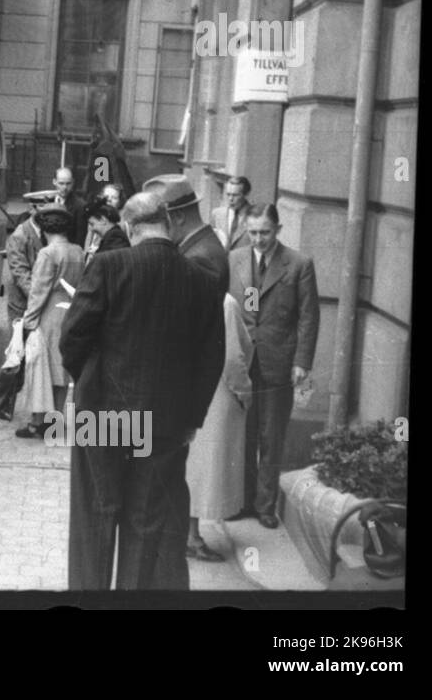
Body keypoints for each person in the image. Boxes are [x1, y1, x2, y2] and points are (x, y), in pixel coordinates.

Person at [60, 192, 225, 590]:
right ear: (168, 222)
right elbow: (211, 357)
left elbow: (72, 337)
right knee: (146, 523)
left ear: (131, 228)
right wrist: (191, 419)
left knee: (95, 517)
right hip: (165, 424)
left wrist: (89, 381)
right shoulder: (202, 279)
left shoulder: (109, 265)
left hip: (103, 417)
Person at [141, 173, 229, 587]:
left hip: (174, 404)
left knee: (167, 501)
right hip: (176, 403)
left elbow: (196, 342)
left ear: (173, 218)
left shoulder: (201, 257)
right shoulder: (197, 248)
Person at [228, 203, 320, 529]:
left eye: (264, 232)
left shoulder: (298, 264)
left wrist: (302, 362)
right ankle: (242, 500)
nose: (258, 239)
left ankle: (264, 505)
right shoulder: (235, 259)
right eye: (252, 232)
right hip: (243, 362)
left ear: (278, 229)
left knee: (271, 435)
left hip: (278, 363)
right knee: (244, 434)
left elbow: (309, 318)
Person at [184, 291, 254, 560]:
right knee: (206, 472)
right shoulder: (225, 303)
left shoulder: (183, 292)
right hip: (217, 395)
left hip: (189, 393)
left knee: (193, 470)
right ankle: (192, 537)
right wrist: (246, 393)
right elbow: (233, 358)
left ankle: (188, 534)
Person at [14, 206, 83, 438]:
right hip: (69, 313)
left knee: (40, 368)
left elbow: (38, 290)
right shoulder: (78, 251)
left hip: (48, 315)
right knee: (60, 370)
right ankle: (54, 422)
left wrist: (29, 321)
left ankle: (36, 422)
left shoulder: (47, 253)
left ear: (44, 230)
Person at [143, 173, 230, 294]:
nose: (155, 230)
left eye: (158, 221)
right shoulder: (200, 247)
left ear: (179, 217)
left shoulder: (200, 258)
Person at [0, 206, 43, 419]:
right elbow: (19, 272)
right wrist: (38, 297)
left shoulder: (42, 231)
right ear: (33, 209)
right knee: (16, 357)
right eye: (42, 206)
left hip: (34, 303)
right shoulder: (19, 236)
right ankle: (4, 403)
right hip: (21, 305)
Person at [211, 176, 253, 251]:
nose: (230, 199)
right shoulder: (217, 214)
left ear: (246, 194)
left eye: (235, 195)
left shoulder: (255, 215)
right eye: (228, 194)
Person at [53, 166, 87, 245]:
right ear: (54, 181)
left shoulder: (80, 206)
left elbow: (80, 237)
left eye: (68, 184)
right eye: (61, 183)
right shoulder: (47, 201)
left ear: (73, 182)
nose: (65, 187)